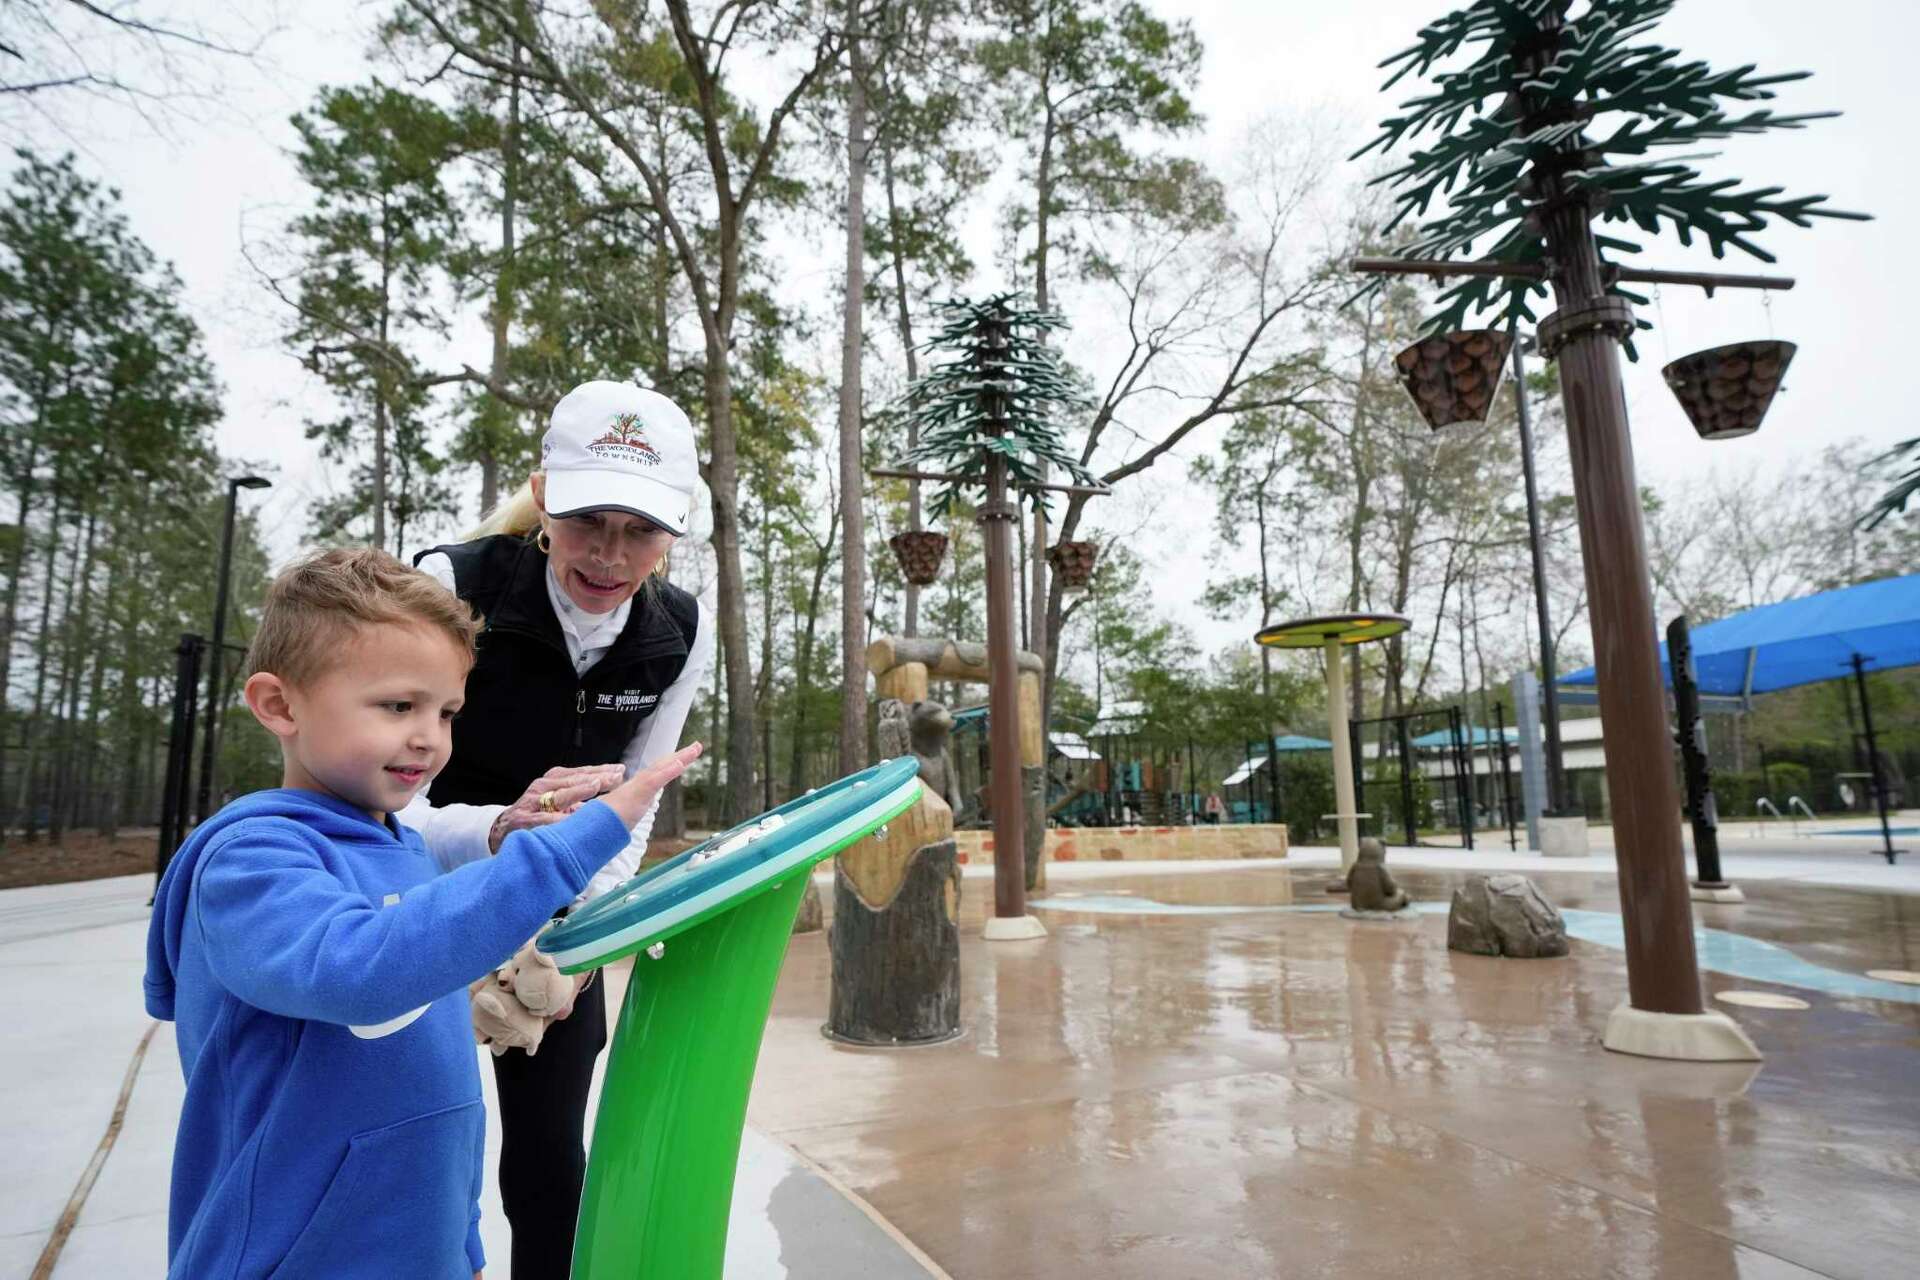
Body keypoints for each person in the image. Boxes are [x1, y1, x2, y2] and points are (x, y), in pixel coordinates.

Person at [143, 547, 702, 1279]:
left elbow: (437, 1106)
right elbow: (358, 967)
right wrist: (567, 851)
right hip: (289, 1259)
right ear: (280, 704)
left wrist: (461, 1245)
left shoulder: (401, 850)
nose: (429, 738)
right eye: (397, 706)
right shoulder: (251, 860)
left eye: (447, 713)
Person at [401, 379, 715, 1278]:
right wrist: (495, 833)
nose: (611, 555)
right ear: (543, 495)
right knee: (420, 1154)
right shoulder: (453, 586)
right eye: (588, 520)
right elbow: (381, 801)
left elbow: (640, 789)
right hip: (425, 898)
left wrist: (581, 934)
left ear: (674, 526)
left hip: (562, 915)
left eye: (642, 529)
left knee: (548, 1167)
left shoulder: (681, 629)